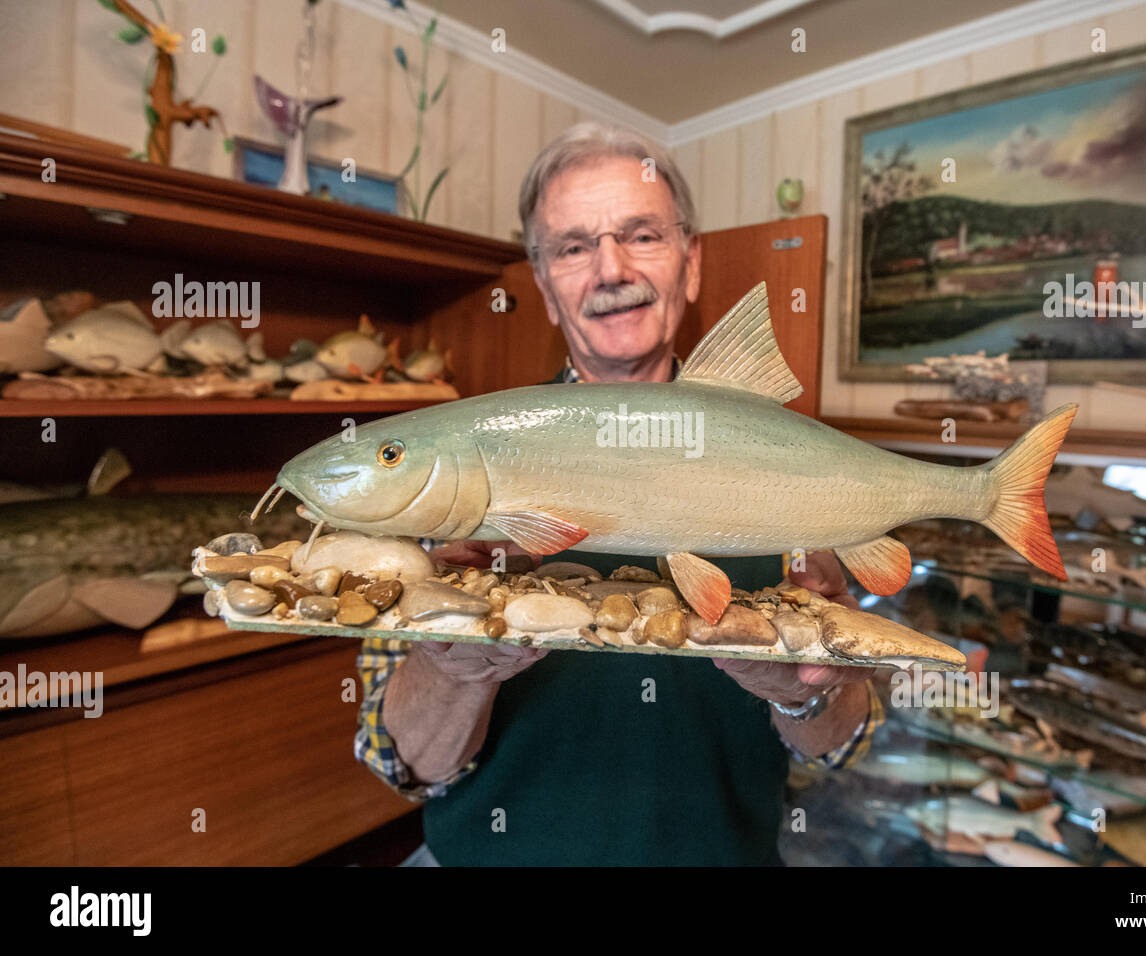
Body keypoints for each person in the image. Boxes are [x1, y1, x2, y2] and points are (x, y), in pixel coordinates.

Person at [355, 122, 882, 866]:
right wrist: (449, 667)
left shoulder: (800, 466)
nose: (610, 269)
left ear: (690, 263)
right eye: (573, 247)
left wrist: (802, 687)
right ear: (542, 285)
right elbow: (397, 763)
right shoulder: (448, 468)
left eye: (641, 235)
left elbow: (845, 745)